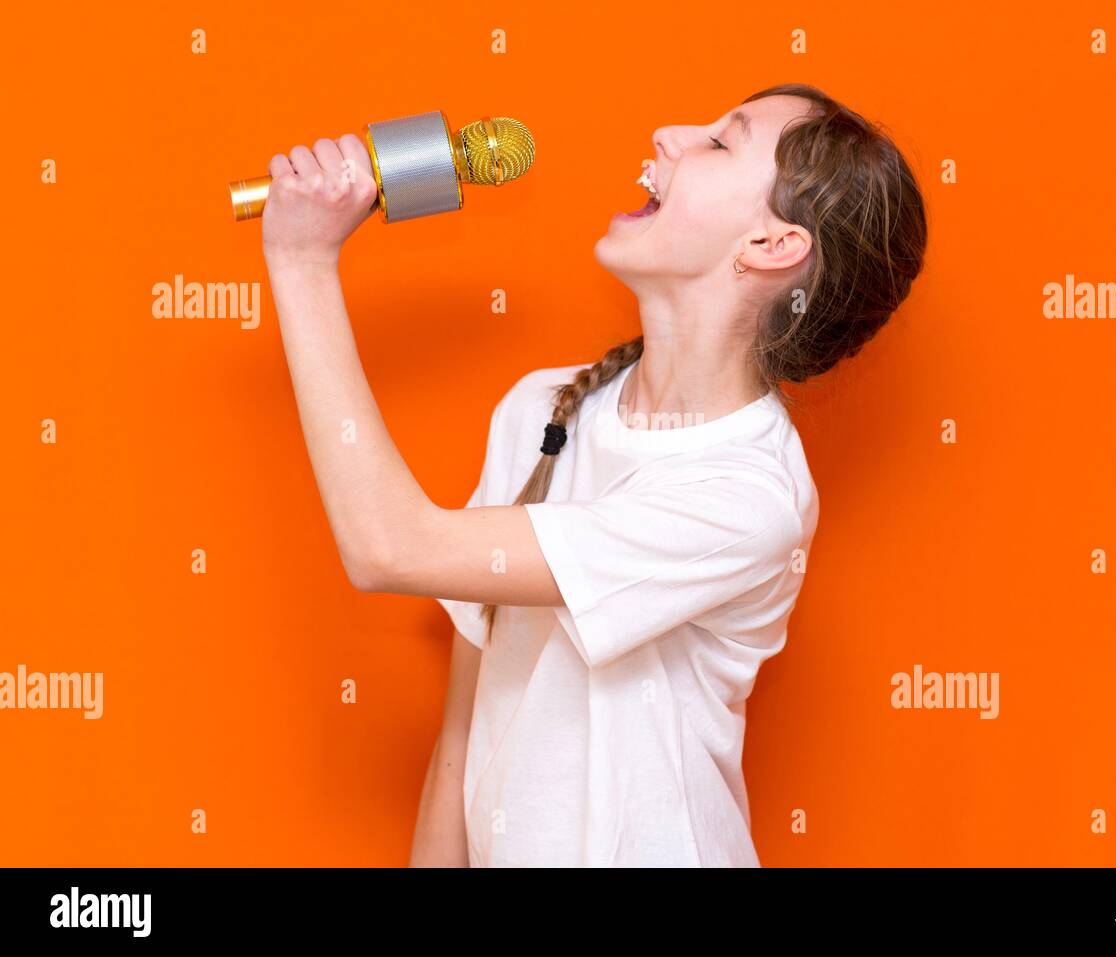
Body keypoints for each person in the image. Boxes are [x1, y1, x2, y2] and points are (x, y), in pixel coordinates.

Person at [260, 82, 928, 867]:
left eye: (719, 142)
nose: (668, 130)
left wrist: (302, 262)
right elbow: (464, 729)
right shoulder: (538, 413)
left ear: (773, 246)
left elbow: (388, 546)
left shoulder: (750, 497)